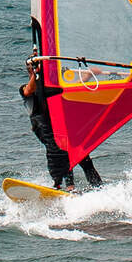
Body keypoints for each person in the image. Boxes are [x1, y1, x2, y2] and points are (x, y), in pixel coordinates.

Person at [21, 54, 102, 190]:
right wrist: (37, 73)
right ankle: (65, 187)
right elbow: (29, 91)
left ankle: (99, 188)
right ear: (31, 71)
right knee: (60, 153)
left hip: (62, 126)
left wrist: (89, 75)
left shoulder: (51, 86)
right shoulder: (26, 88)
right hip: (44, 128)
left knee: (83, 157)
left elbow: (71, 88)